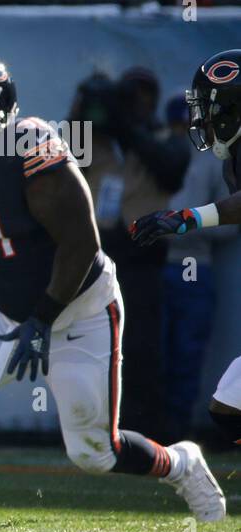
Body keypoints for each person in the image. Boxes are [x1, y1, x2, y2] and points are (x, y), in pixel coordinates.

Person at [0, 55, 224, 523]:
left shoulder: (32, 147)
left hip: (79, 311)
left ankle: (181, 464)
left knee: (95, 451)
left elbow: (81, 242)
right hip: (5, 312)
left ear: (1, 106)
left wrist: (44, 317)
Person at [131, 49, 241, 447]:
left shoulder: (222, 162)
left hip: (197, 264)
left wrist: (184, 220)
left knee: (219, 397)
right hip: (167, 266)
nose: (199, 123)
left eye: (207, 112)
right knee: (225, 406)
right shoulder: (226, 158)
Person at [74, 68, 188, 437]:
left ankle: (146, 428)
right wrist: (84, 103)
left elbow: (172, 170)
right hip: (99, 259)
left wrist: (125, 125)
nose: (137, 103)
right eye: (129, 96)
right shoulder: (96, 141)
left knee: (141, 349)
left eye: (144, 96)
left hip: (143, 261)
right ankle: (95, 425)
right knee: (93, 347)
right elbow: (64, 154)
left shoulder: (161, 138)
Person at [149, 95, 235, 443]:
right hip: (157, 264)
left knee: (187, 353)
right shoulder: (153, 153)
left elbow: (230, 223)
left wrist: (186, 227)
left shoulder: (215, 161)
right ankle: (151, 426)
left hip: (193, 264)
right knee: (153, 351)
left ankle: (178, 428)